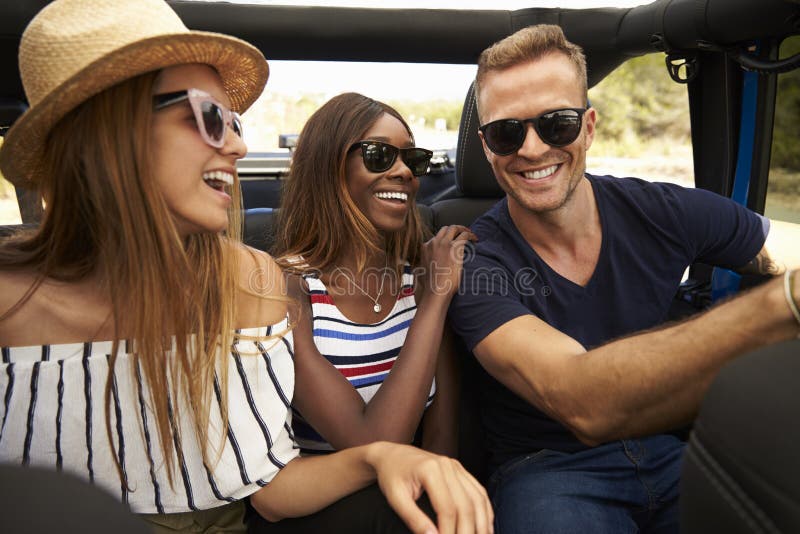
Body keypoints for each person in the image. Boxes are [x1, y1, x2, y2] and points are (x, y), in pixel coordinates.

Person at [0, 1, 492, 534]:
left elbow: (271, 486)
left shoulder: (248, 284)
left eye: (234, 123)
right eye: (210, 118)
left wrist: (391, 459)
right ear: (109, 131)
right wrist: (379, 453)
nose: (239, 145)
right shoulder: (11, 305)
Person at [446, 24, 800, 534]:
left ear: (588, 127)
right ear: (486, 146)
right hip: (549, 472)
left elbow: (778, 248)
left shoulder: (659, 209)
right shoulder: (476, 263)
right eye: (507, 132)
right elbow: (580, 400)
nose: (532, 149)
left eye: (558, 124)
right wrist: (778, 306)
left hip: (670, 452)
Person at [243, 92, 475, 532]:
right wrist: (435, 300)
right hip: (313, 511)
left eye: (413, 159)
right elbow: (372, 442)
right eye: (378, 155)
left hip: (399, 510)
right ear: (329, 166)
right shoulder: (288, 289)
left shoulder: (420, 283)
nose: (403, 171)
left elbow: (441, 443)